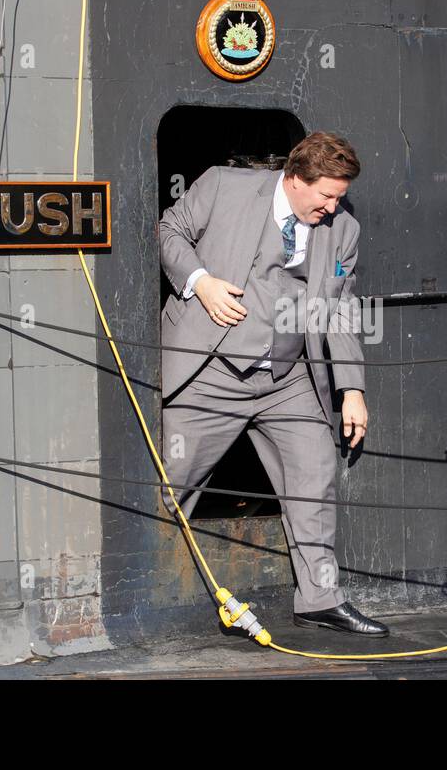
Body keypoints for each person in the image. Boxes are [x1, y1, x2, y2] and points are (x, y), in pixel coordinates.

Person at [157, 131, 388, 637]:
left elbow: (343, 307)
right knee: (170, 483)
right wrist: (202, 282)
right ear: (293, 179)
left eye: (339, 196)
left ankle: (319, 599)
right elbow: (170, 230)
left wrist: (352, 389)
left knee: (316, 472)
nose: (332, 206)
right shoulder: (224, 186)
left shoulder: (343, 229)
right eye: (326, 194)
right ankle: (145, 600)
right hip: (211, 369)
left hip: (287, 377)